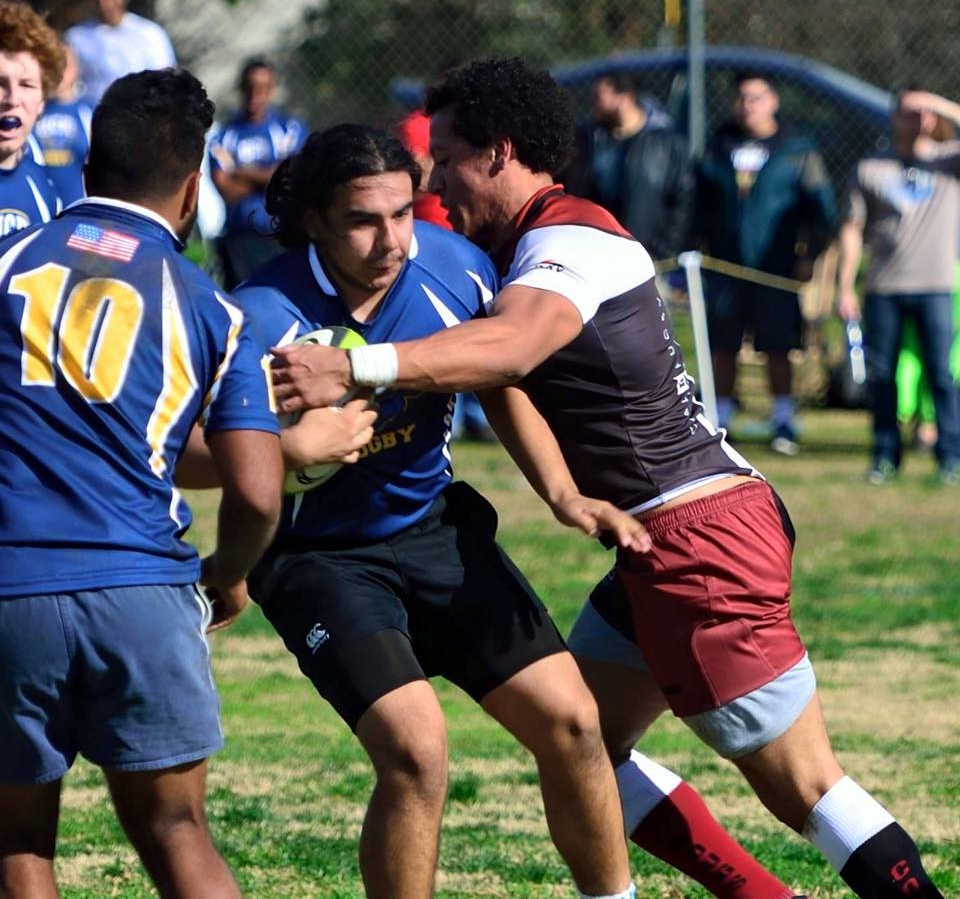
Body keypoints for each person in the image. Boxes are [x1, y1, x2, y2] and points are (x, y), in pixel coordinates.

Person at [271, 57, 946, 899]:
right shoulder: (535, 242)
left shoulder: (565, 244)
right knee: (579, 739)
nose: (436, 184)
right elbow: (504, 376)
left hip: (698, 538)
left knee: (806, 786)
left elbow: (510, 351)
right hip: (660, 536)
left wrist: (355, 368)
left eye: (446, 159)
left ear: (499, 154)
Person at [232, 122, 640, 899]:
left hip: (437, 531)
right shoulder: (259, 314)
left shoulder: (455, 269)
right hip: (321, 558)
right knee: (418, 752)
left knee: (575, 724)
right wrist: (287, 451)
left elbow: (498, 378)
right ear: (315, 219)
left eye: (403, 212)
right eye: (363, 220)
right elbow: (202, 450)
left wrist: (562, 494)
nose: (390, 239)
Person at [0, 68, 283, 899]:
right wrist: (227, 573)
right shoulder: (214, 308)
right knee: (177, 832)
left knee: (17, 842)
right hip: (143, 589)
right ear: (194, 190)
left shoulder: (8, 264)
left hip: (10, 585)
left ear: (85, 171)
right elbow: (258, 492)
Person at [695, 70, 836, 454]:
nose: (748, 105)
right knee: (722, 345)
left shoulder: (796, 149)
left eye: (756, 98)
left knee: (777, 346)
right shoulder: (716, 146)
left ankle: (784, 421)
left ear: (773, 101)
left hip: (776, 267)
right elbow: (700, 205)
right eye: (742, 98)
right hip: (726, 266)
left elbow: (821, 209)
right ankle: (721, 421)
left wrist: (809, 255)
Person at [837, 87, 960, 486]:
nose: (919, 119)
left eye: (925, 113)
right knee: (882, 375)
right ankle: (885, 456)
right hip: (884, 287)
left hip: (936, 285)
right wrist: (844, 287)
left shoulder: (948, 163)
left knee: (942, 374)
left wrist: (939, 105)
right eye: (910, 112)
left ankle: (950, 456)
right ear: (894, 117)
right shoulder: (873, 167)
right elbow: (853, 229)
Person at [393, 106, 496, 443]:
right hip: (425, 237)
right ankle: (453, 418)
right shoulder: (416, 125)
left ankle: (477, 416)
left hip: (458, 235)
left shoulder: (470, 124)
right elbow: (412, 175)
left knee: (472, 320)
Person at [564, 71, 694, 264]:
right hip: (599, 255)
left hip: (649, 257)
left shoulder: (665, 142)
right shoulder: (591, 140)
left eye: (599, 96)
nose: (592, 103)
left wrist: (663, 250)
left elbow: (682, 200)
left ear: (624, 97)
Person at [208, 58, 306, 290]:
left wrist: (241, 172)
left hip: (283, 237)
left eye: (262, 88)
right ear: (241, 88)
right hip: (240, 240)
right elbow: (228, 191)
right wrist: (270, 175)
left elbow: (292, 179)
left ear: (272, 89)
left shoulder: (289, 130)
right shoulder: (224, 137)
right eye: (250, 87)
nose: (255, 94)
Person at [64, 0, 177, 105]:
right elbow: (68, 83)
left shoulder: (150, 32)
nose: (105, 0)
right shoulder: (76, 37)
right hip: (93, 116)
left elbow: (164, 77)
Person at [0, 1, 62, 238]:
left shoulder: (41, 185)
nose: (13, 99)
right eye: (0, 83)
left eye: (26, 85)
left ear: (42, 102)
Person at [33, 43, 92, 205]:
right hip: (43, 212)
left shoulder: (89, 112)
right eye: (53, 65)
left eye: (65, 65)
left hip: (79, 211)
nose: (59, 72)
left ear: (77, 69)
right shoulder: (31, 109)